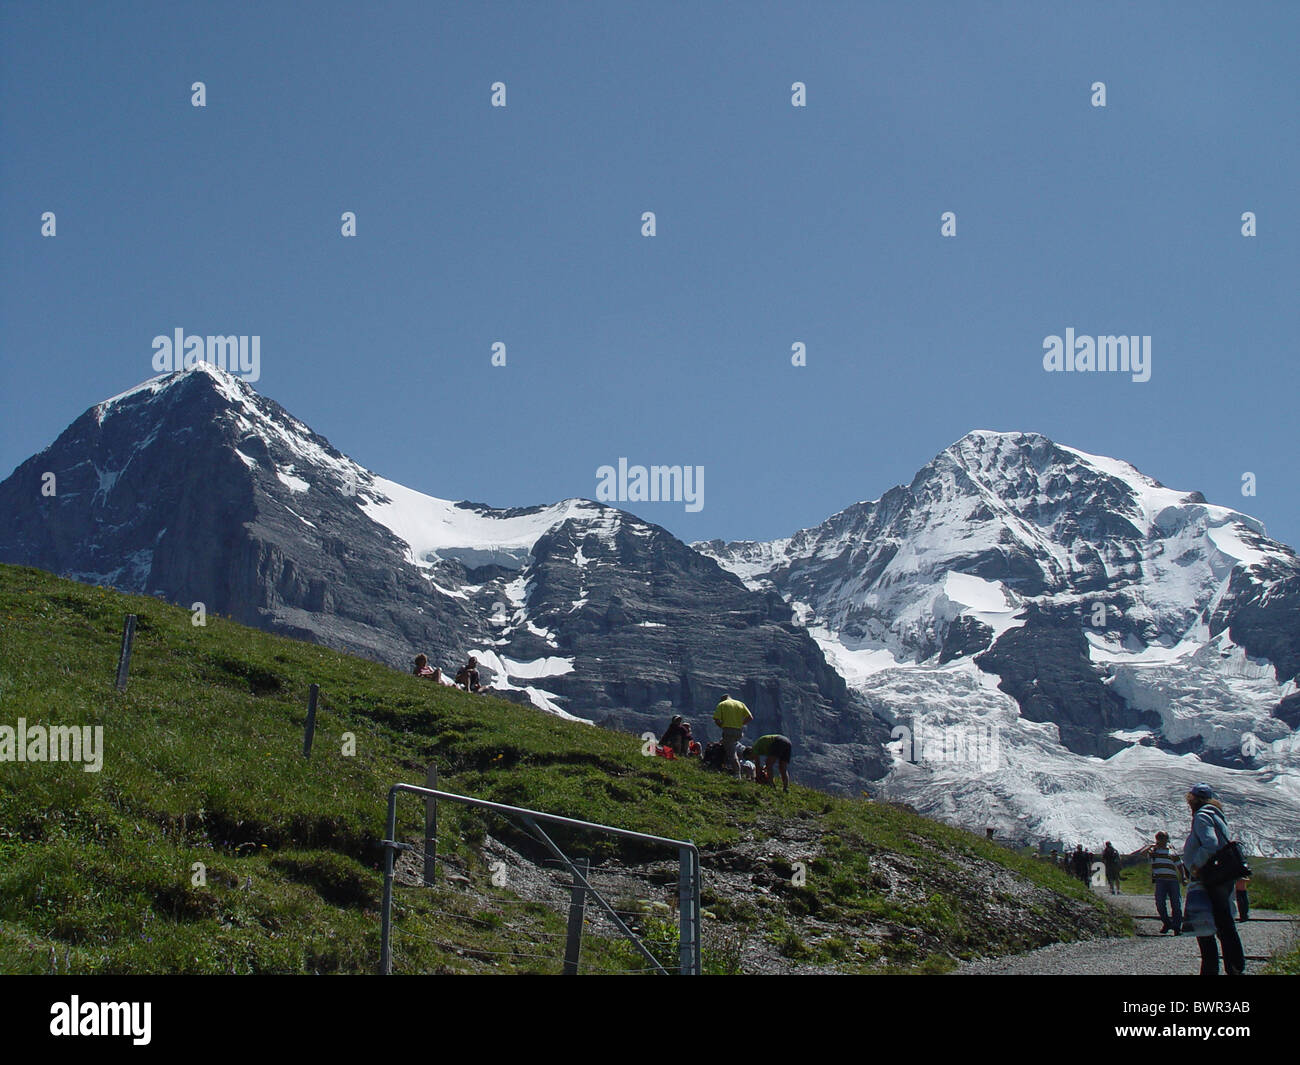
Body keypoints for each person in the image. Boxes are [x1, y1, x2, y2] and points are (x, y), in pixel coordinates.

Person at [1182, 783, 1246, 975]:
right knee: (1224, 921)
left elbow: (1210, 844)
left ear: (1193, 799)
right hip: (1223, 876)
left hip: (1208, 877)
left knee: (1204, 924)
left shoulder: (1202, 816)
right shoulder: (1217, 816)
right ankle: (1235, 966)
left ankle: (1210, 969)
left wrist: (1195, 866)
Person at [1144, 831, 1185, 935]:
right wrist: (1151, 846)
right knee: (1160, 903)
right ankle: (1166, 923)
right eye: (1159, 838)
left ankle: (1177, 927)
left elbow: (1180, 865)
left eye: (1163, 838)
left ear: (1167, 839)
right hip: (1160, 880)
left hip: (1172, 880)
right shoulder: (1154, 852)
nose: (1161, 840)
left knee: (1176, 904)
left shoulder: (1172, 852)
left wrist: (1183, 877)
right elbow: (1142, 853)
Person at [712, 694, 753, 776]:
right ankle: (732, 768)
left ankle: (737, 773)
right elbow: (750, 717)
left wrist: (722, 726)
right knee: (732, 748)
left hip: (728, 730)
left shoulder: (722, 704)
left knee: (732, 753)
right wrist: (740, 724)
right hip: (738, 731)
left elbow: (716, 719)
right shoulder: (740, 704)